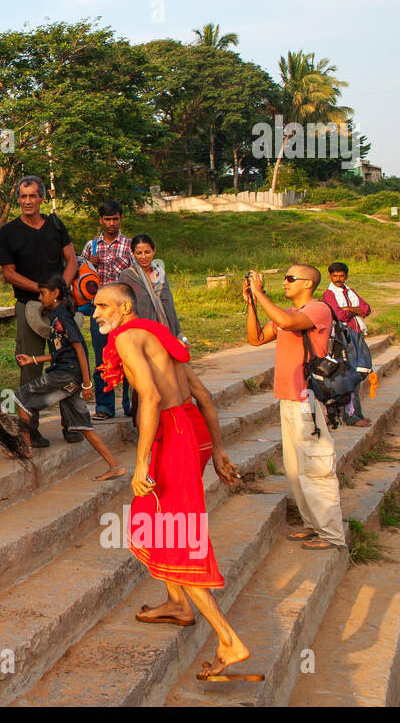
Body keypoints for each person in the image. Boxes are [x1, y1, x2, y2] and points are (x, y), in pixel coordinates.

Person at [91, 282, 256, 680]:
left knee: (174, 533)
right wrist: (216, 450)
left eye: (100, 305)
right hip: (191, 429)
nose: (94, 313)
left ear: (124, 307)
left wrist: (141, 462)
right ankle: (178, 603)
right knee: (158, 522)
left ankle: (229, 641)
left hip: (172, 436)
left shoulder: (128, 337)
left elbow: (148, 398)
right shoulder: (156, 335)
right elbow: (201, 394)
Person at [245, 264, 346, 550]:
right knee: (295, 468)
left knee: (316, 465)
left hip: (308, 399)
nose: (286, 283)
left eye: (291, 278)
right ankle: (313, 523)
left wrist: (259, 292)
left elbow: (289, 325)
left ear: (308, 284)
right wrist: (252, 302)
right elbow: (256, 339)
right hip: (289, 397)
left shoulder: (318, 310)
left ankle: (332, 534)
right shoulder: (285, 314)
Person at [11, 275, 124, 480]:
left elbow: (80, 348)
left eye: (43, 293)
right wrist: (33, 359)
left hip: (65, 375)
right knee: (84, 426)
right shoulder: (56, 317)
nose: (40, 297)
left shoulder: (62, 317)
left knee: (21, 397)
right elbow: (60, 352)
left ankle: (25, 447)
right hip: (68, 374)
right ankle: (114, 465)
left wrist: (87, 382)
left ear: (55, 294)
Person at [0, 176, 78, 446]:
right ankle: (30, 429)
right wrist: (43, 291)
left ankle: (72, 423)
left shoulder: (55, 224)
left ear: (42, 198)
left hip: (59, 306)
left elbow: (72, 260)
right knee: (30, 367)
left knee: (66, 364)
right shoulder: (9, 232)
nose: (27, 201)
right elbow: (8, 273)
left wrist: (59, 290)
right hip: (29, 306)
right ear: (18, 199)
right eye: (23, 196)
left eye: (32, 196)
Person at [82, 200, 134, 419]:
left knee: (128, 355)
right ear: (101, 220)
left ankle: (130, 404)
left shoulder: (130, 245)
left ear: (121, 219)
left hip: (123, 310)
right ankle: (104, 407)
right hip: (100, 311)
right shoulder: (90, 246)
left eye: (115, 219)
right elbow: (82, 278)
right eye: (107, 219)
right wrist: (89, 263)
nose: (111, 223)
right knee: (103, 357)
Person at [322, 261, 372, 427]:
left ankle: (357, 414)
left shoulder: (349, 291)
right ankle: (350, 417)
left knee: (360, 373)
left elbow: (367, 309)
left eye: (341, 275)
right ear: (330, 277)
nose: (338, 279)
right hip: (344, 337)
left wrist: (350, 309)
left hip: (357, 335)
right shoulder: (329, 294)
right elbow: (340, 315)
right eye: (335, 276)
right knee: (351, 375)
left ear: (346, 276)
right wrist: (354, 310)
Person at [116, 233, 181, 337]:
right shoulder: (127, 276)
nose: (143, 257)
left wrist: (177, 331)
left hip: (165, 328)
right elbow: (123, 307)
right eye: (139, 253)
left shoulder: (160, 273)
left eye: (147, 252)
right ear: (133, 253)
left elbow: (169, 304)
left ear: (154, 251)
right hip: (140, 332)